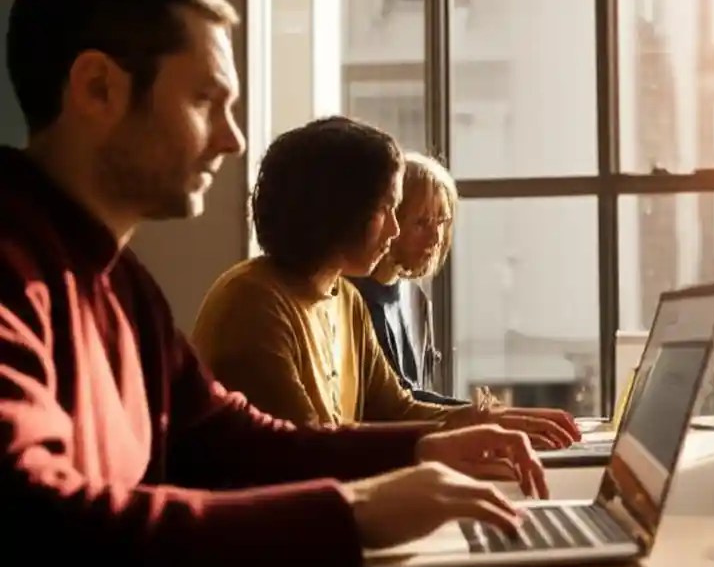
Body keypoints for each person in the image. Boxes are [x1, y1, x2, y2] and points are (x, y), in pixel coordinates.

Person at [0, 0, 546, 567]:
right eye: (207, 99)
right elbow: (36, 524)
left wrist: (422, 453)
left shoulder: (116, 281)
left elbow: (229, 440)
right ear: (97, 88)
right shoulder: (15, 269)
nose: (232, 139)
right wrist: (357, 513)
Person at [191, 119, 580, 449]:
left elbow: (397, 409)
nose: (394, 230)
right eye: (385, 210)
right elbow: (308, 451)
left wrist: (498, 422)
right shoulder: (253, 303)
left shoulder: (344, 297)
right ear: (338, 209)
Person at [347, 151, 468, 405]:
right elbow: (393, 406)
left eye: (442, 222)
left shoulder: (417, 300)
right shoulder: (350, 301)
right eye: (422, 223)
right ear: (390, 220)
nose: (436, 238)